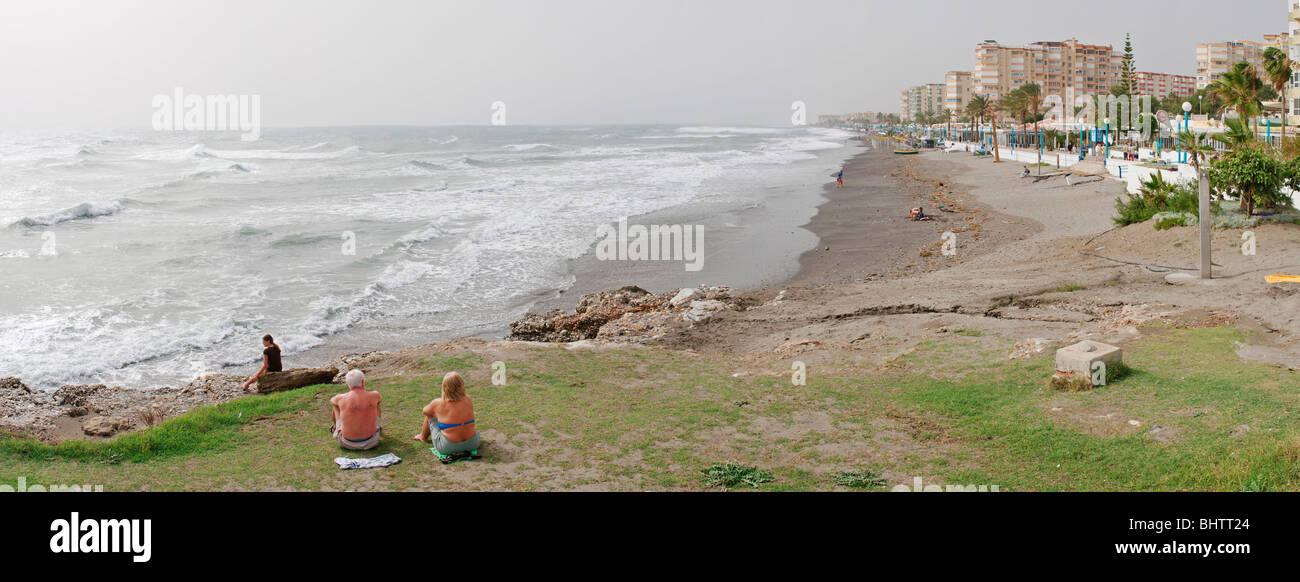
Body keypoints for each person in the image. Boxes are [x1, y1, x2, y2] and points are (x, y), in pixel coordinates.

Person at [413, 372, 480, 455]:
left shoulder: (438, 403)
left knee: (431, 415)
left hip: (448, 447)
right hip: (473, 443)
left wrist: (437, 410)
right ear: (461, 385)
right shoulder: (468, 399)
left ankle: (423, 437)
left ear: (445, 388)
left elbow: (425, 411)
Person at [330, 370, 382, 450]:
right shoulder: (375, 395)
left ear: (348, 384)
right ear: (363, 382)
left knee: (335, 405)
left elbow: (332, 401)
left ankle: (336, 427)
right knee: (376, 404)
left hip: (347, 443)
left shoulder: (340, 398)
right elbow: (379, 400)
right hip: (372, 441)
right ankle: (377, 426)